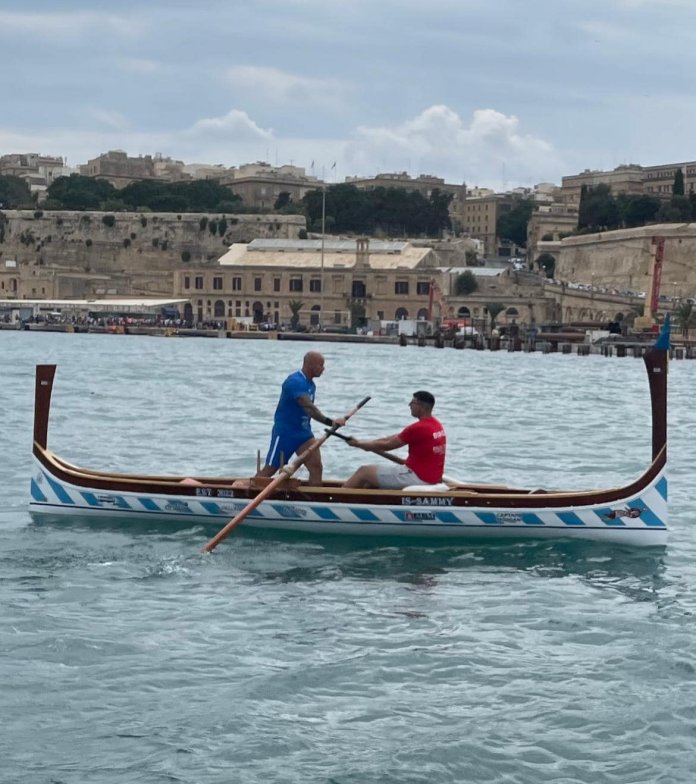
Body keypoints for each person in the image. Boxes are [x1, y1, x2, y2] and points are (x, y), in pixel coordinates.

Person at [256, 351, 346, 485]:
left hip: (303, 434)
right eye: (321, 365)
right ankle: (242, 488)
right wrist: (331, 422)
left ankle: (315, 500)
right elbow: (309, 408)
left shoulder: (311, 384)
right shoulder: (294, 381)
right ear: (310, 365)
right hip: (285, 433)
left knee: (316, 467)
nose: (323, 369)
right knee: (270, 470)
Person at [343, 391, 446, 489]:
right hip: (431, 477)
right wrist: (362, 442)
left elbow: (388, 445)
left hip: (417, 477)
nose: (409, 405)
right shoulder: (436, 424)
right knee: (370, 481)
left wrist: (359, 445)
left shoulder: (418, 428)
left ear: (421, 407)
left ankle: (338, 500)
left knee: (364, 472)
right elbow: (390, 438)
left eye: (412, 402)